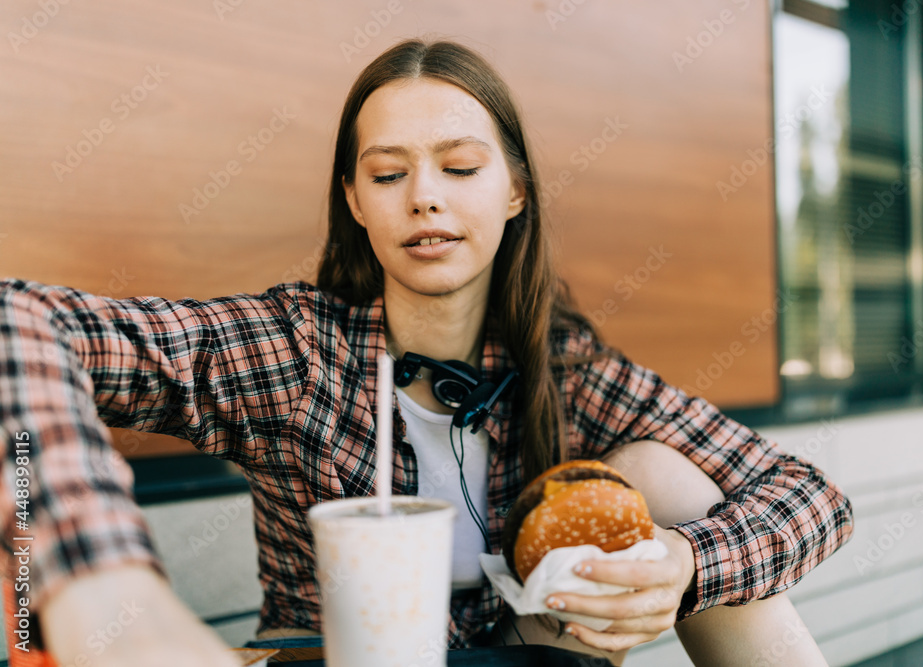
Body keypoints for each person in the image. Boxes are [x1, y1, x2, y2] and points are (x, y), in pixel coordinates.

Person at [0, 38, 853, 666]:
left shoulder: (566, 367)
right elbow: (17, 319)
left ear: (515, 189)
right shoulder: (295, 350)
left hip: (524, 652)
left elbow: (814, 495)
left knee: (667, 477)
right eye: (387, 174)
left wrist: (688, 564)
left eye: (459, 166)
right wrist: (100, 581)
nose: (425, 199)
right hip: (326, 656)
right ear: (354, 200)